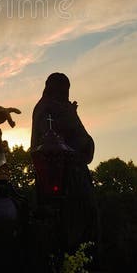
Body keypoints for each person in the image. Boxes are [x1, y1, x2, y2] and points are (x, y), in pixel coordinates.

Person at [31, 73, 98, 252]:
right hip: (60, 175)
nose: (64, 93)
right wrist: (68, 118)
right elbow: (47, 139)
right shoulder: (44, 108)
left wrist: (73, 119)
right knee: (68, 221)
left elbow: (81, 136)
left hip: (78, 172)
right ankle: (70, 259)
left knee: (88, 214)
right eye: (61, 89)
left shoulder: (66, 108)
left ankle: (82, 256)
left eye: (66, 89)